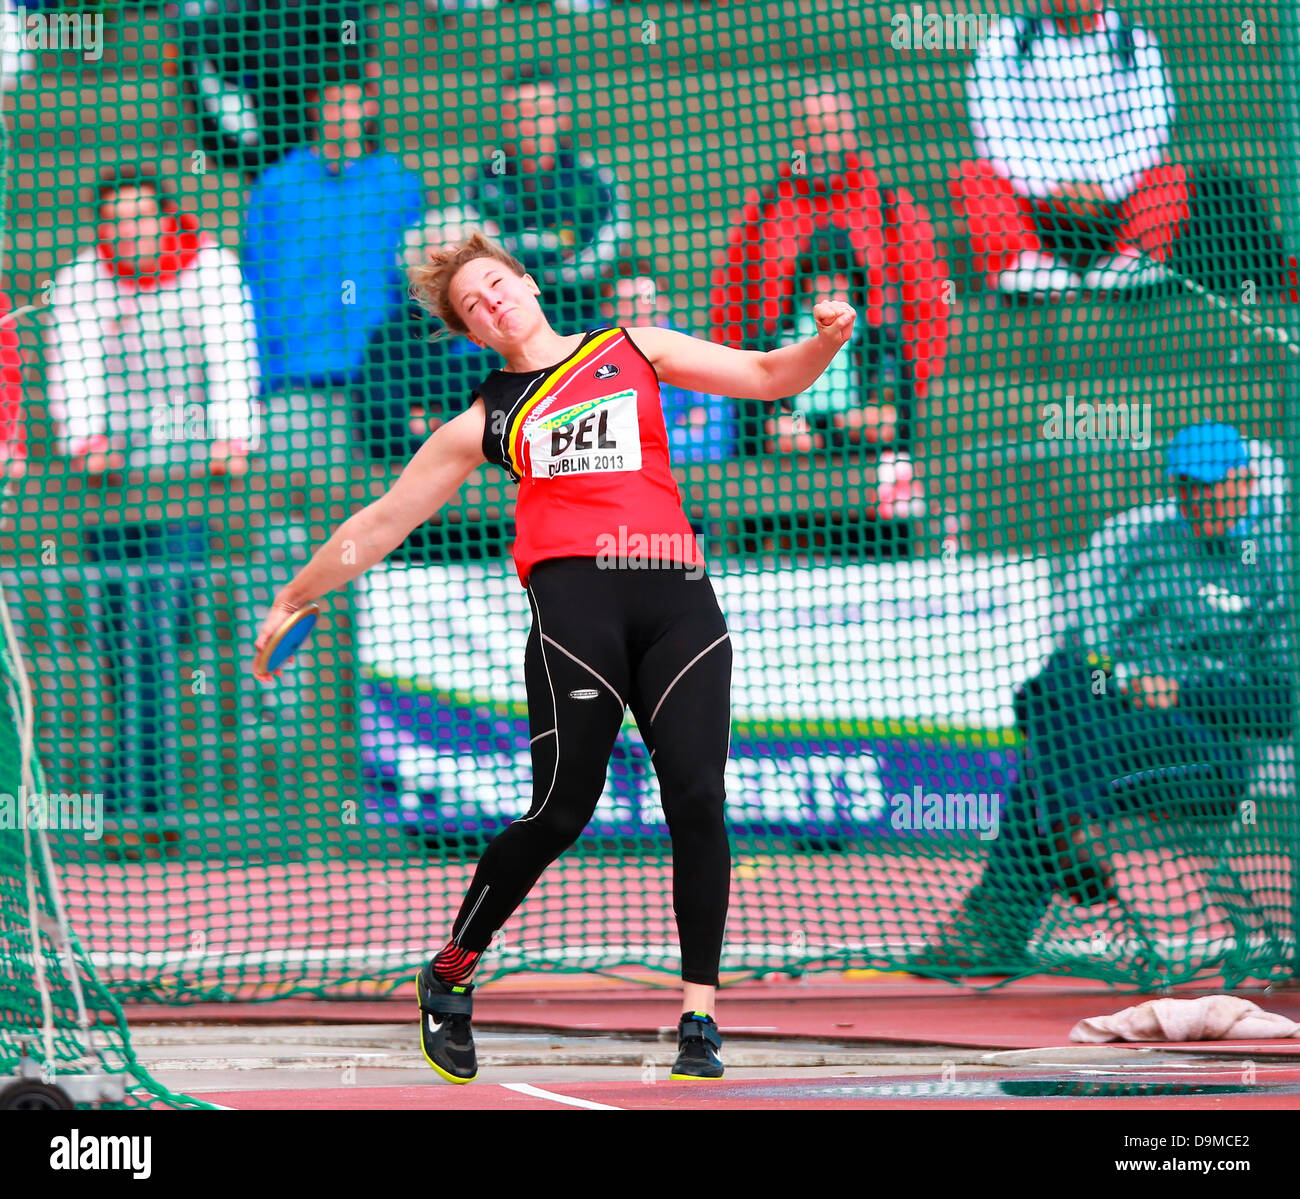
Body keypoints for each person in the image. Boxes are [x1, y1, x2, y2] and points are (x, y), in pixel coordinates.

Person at [253, 230, 857, 1082]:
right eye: (473, 303)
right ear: (473, 332)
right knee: (563, 809)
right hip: (577, 613)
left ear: (529, 282)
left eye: (497, 283)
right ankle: (451, 970)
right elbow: (383, 521)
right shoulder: (487, 418)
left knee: (697, 798)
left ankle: (698, 1017)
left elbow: (767, 376)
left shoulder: (630, 347)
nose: (492, 301)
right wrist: (297, 594)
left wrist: (825, 340)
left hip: (679, 601)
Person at [919, 423, 1294, 969]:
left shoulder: (1279, 559)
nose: (1197, 498)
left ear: (1247, 480)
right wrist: (1123, 678)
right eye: (1186, 485)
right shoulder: (1136, 539)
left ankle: (1011, 906)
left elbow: (1279, 706)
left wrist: (1182, 691)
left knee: (1047, 763)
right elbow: (1084, 649)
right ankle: (1072, 828)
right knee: (1060, 685)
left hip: (1208, 756)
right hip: (1116, 726)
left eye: (1211, 485)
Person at [46, 162, 260, 816]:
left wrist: (232, 437)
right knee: (119, 640)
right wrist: (86, 441)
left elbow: (233, 357)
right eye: (113, 221)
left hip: (185, 475)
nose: (126, 231)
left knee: (156, 632)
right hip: (111, 483)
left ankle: (149, 804)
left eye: (139, 217)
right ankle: (132, 799)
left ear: (165, 219)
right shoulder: (79, 283)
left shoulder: (213, 269)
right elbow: (72, 368)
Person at [241, 55, 425, 447]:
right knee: (293, 500)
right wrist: (260, 378)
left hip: (383, 380)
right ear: (314, 106)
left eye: (352, 101)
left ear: (370, 105)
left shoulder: (399, 184)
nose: (342, 114)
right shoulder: (276, 187)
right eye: (332, 102)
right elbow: (255, 284)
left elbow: (420, 286)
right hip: (298, 380)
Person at [953, 0, 1187, 298]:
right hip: (1036, 200)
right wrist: (1049, 186)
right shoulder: (1009, 38)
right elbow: (991, 125)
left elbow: (1153, 126)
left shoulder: (1135, 40)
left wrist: (1106, 185)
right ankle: (1022, 263)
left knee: (1169, 175)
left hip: (1113, 199)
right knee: (976, 178)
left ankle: (1132, 258)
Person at [407, 59, 631, 333]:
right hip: (500, 322)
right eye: (520, 113)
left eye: (542, 111)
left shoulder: (595, 182)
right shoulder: (479, 184)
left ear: (561, 114)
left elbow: (602, 254)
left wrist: (524, 268)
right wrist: (534, 259)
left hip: (579, 317)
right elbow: (469, 252)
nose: (531, 123)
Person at [602, 259, 736, 463]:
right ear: (607, 309)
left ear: (663, 302)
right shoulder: (595, 359)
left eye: (645, 300)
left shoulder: (694, 351)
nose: (637, 311)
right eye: (625, 303)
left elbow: (714, 439)